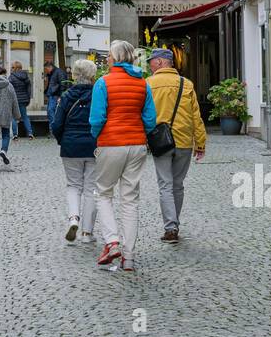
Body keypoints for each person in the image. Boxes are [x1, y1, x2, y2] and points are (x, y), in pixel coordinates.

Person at [88, 40, 155, 272]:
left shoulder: (102, 83)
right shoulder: (143, 84)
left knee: (103, 193)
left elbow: (96, 119)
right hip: (137, 145)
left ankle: (112, 241)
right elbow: (150, 120)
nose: (106, 59)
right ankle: (129, 257)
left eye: (108, 56)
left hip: (111, 143)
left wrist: (99, 136)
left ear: (115, 58)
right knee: (130, 200)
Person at [148, 48, 209, 243]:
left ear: (160, 62)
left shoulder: (148, 84)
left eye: (151, 61)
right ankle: (175, 224)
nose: (149, 65)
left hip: (160, 142)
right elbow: (195, 116)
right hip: (184, 141)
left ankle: (171, 228)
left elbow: (145, 115)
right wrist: (200, 142)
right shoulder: (187, 84)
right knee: (178, 185)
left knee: (165, 185)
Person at [51, 58, 99, 244]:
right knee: (91, 188)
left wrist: (62, 140)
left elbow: (56, 124)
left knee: (73, 186)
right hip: (94, 147)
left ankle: (73, 219)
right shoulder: (98, 95)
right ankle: (87, 233)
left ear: (75, 75)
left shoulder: (67, 96)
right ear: (92, 76)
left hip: (71, 146)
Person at [8, 60, 33, 139]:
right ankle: (30, 133)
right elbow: (29, 89)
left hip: (14, 100)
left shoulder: (11, 77)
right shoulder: (25, 76)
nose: (11, 69)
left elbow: (9, 89)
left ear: (15, 68)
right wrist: (28, 98)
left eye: (12, 67)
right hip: (23, 99)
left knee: (14, 117)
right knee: (25, 116)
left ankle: (15, 135)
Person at [44, 60, 67, 124]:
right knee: (50, 112)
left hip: (56, 95)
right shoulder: (52, 73)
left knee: (51, 111)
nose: (46, 70)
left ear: (50, 67)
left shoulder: (59, 72)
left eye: (46, 69)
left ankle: (54, 129)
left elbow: (63, 84)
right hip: (52, 95)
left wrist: (61, 96)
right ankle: (52, 129)